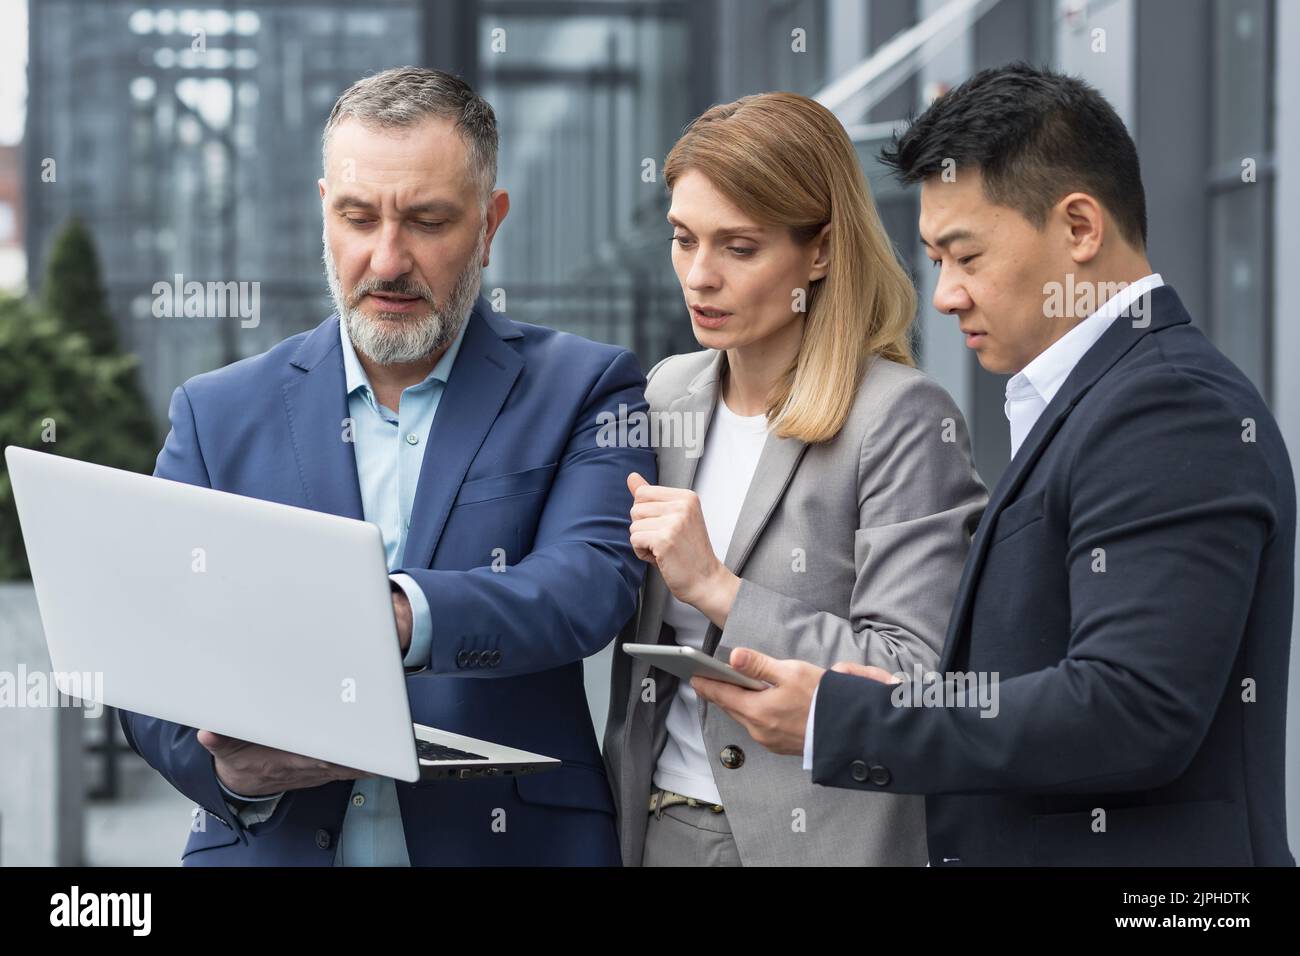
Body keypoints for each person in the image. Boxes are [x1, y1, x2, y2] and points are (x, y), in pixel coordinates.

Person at [693, 64, 1296, 866]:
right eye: (936, 260)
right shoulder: (1094, 397)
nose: (945, 295)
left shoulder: (1167, 409)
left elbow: (1131, 711)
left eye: (964, 255)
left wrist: (846, 719)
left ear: (1080, 227)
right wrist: (915, 699)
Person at [118, 67, 655, 866]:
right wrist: (236, 776)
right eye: (358, 217)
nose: (387, 258)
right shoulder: (216, 410)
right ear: (322, 212)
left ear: (489, 224)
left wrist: (398, 615)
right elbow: (144, 649)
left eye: (428, 220)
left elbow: (587, 585)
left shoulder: (588, 386)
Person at [602, 92, 987, 866]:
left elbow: (911, 677)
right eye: (683, 240)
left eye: (739, 248)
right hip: (655, 829)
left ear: (819, 252)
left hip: (817, 841)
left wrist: (718, 588)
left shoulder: (900, 417)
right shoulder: (667, 394)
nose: (699, 277)